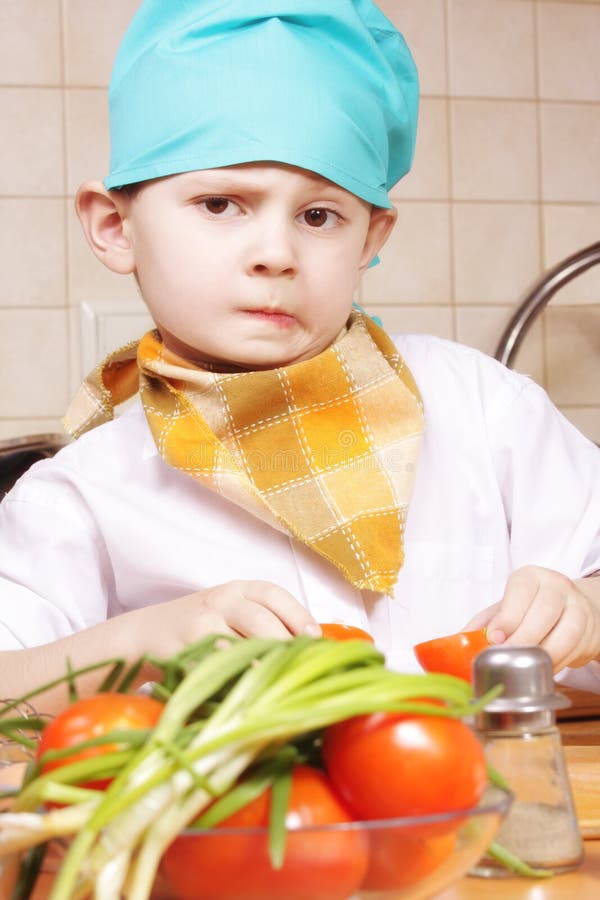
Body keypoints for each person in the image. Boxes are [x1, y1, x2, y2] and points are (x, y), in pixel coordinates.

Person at [0, 0, 599, 713]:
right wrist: (135, 644)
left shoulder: (485, 408)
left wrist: (587, 613)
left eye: (319, 216)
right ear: (114, 227)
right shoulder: (82, 491)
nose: (276, 254)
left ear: (370, 238)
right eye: (220, 204)